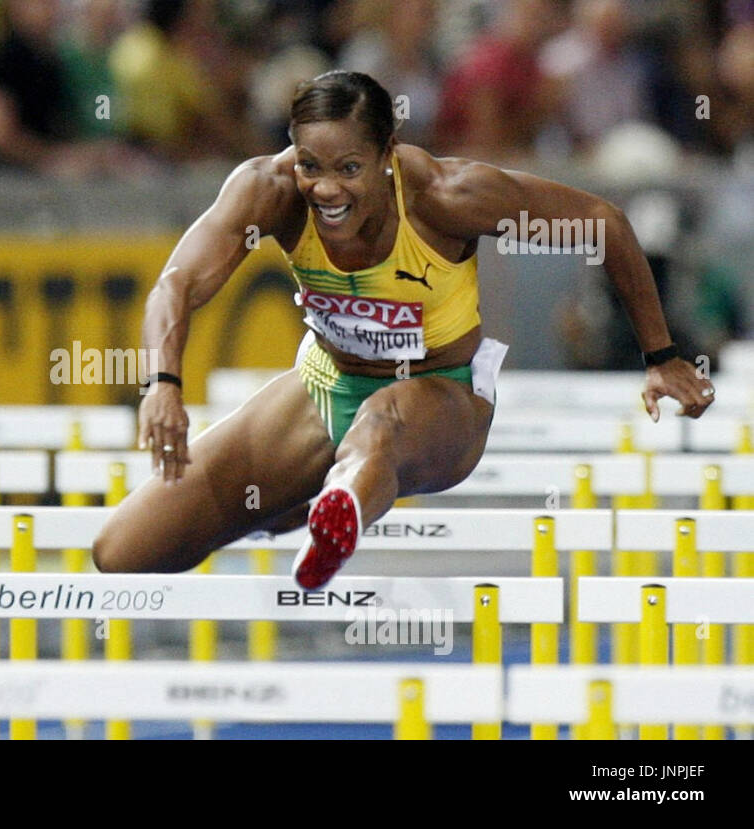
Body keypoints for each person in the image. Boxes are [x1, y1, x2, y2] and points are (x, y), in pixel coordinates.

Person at [92, 70, 715, 589]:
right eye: (310, 164)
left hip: (441, 396)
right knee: (123, 550)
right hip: (325, 384)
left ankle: (339, 508)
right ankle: (296, 502)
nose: (326, 190)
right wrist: (162, 384)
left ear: (388, 155)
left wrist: (659, 355)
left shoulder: (449, 195)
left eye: (349, 168)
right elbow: (176, 283)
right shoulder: (269, 190)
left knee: (379, 428)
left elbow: (602, 223)